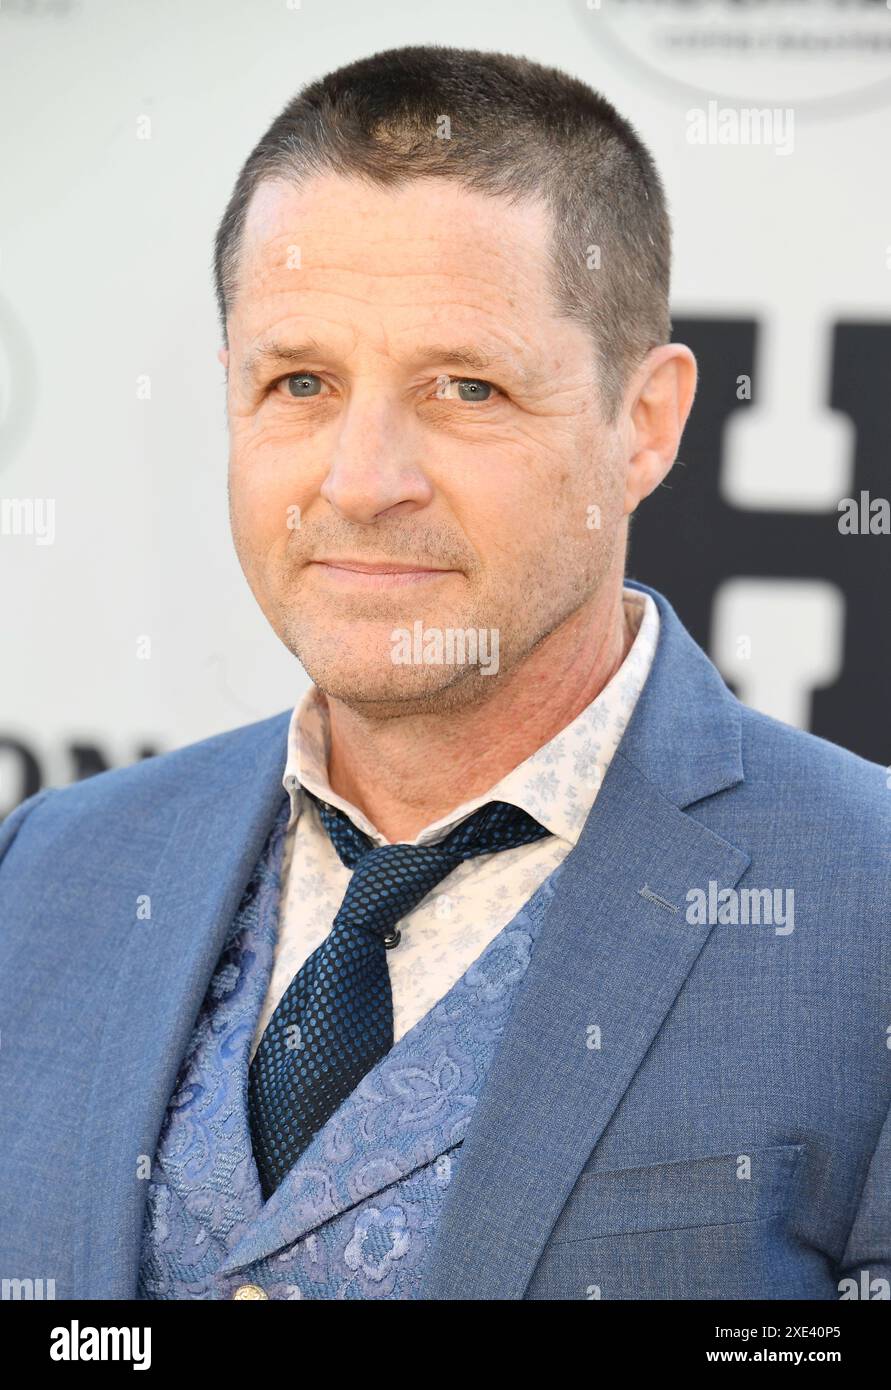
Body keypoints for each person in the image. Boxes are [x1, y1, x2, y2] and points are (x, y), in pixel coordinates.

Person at [0, 45, 887, 1302]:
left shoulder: (870, 914)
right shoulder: (46, 875)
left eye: (465, 387)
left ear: (647, 422)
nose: (363, 480)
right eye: (299, 382)